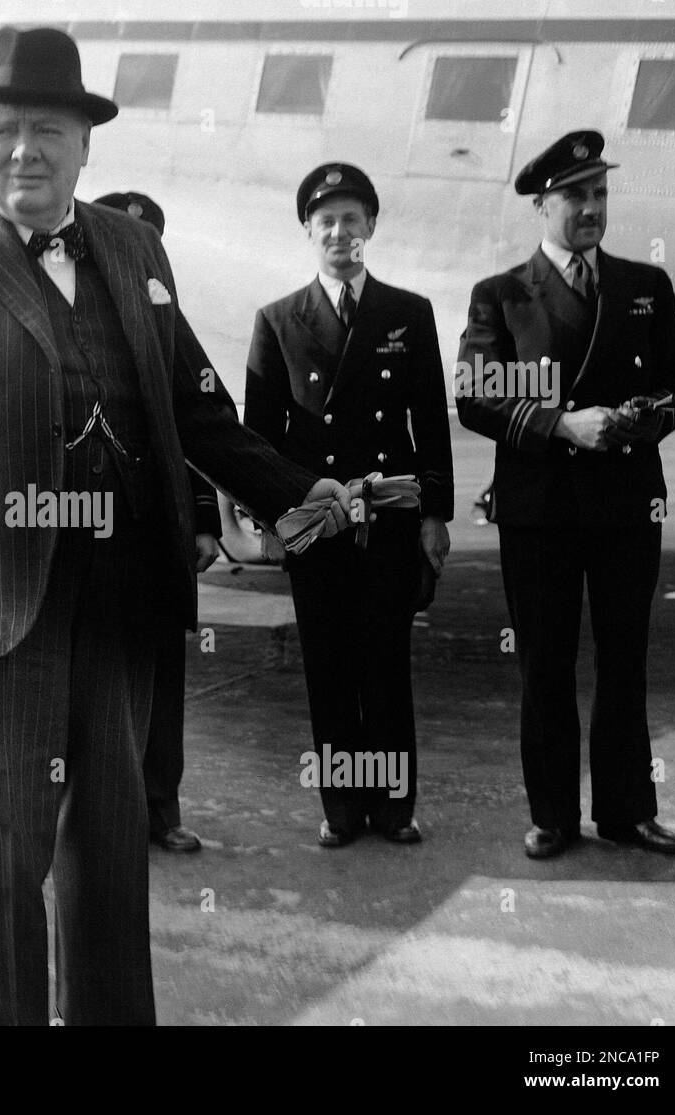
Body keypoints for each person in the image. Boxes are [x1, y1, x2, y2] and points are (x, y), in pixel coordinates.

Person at [0, 26, 350, 1025]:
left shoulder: (131, 248)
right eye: (6, 129)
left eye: (48, 131)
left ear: (84, 145)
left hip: (123, 606)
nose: (25, 149)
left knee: (110, 860)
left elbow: (195, 409)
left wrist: (302, 489)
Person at [456, 131, 675, 859]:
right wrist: (565, 423)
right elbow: (477, 393)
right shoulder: (503, 295)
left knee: (625, 660)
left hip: (627, 503)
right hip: (540, 509)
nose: (591, 209)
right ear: (541, 204)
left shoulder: (644, 287)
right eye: (575, 196)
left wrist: (645, 415)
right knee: (546, 665)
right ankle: (553, 815)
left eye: (600, 194)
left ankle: (628, 812)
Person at [245, 163, 454, 848]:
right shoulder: (277, 320)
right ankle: (341, 809)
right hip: (319, 522)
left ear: (370, 229)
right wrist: (279, 525)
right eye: (327, 219)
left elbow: (430, 423)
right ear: (309, 229)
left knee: (386, 665)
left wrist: (434, 515)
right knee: (329, 668)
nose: (340, 231)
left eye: (352, 219)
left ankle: (394, 808)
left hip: (390, 517)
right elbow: (261, 438)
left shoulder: (408, 313)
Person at [93, 190, 212, 855]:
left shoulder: (170, 330)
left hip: (158, 538)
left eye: (150, 243)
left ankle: (161, 812)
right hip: (92, 538)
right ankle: (100, 817)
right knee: (98, 688)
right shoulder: (71, 323)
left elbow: (198, 431)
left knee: (163, 685)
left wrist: (200, 521)